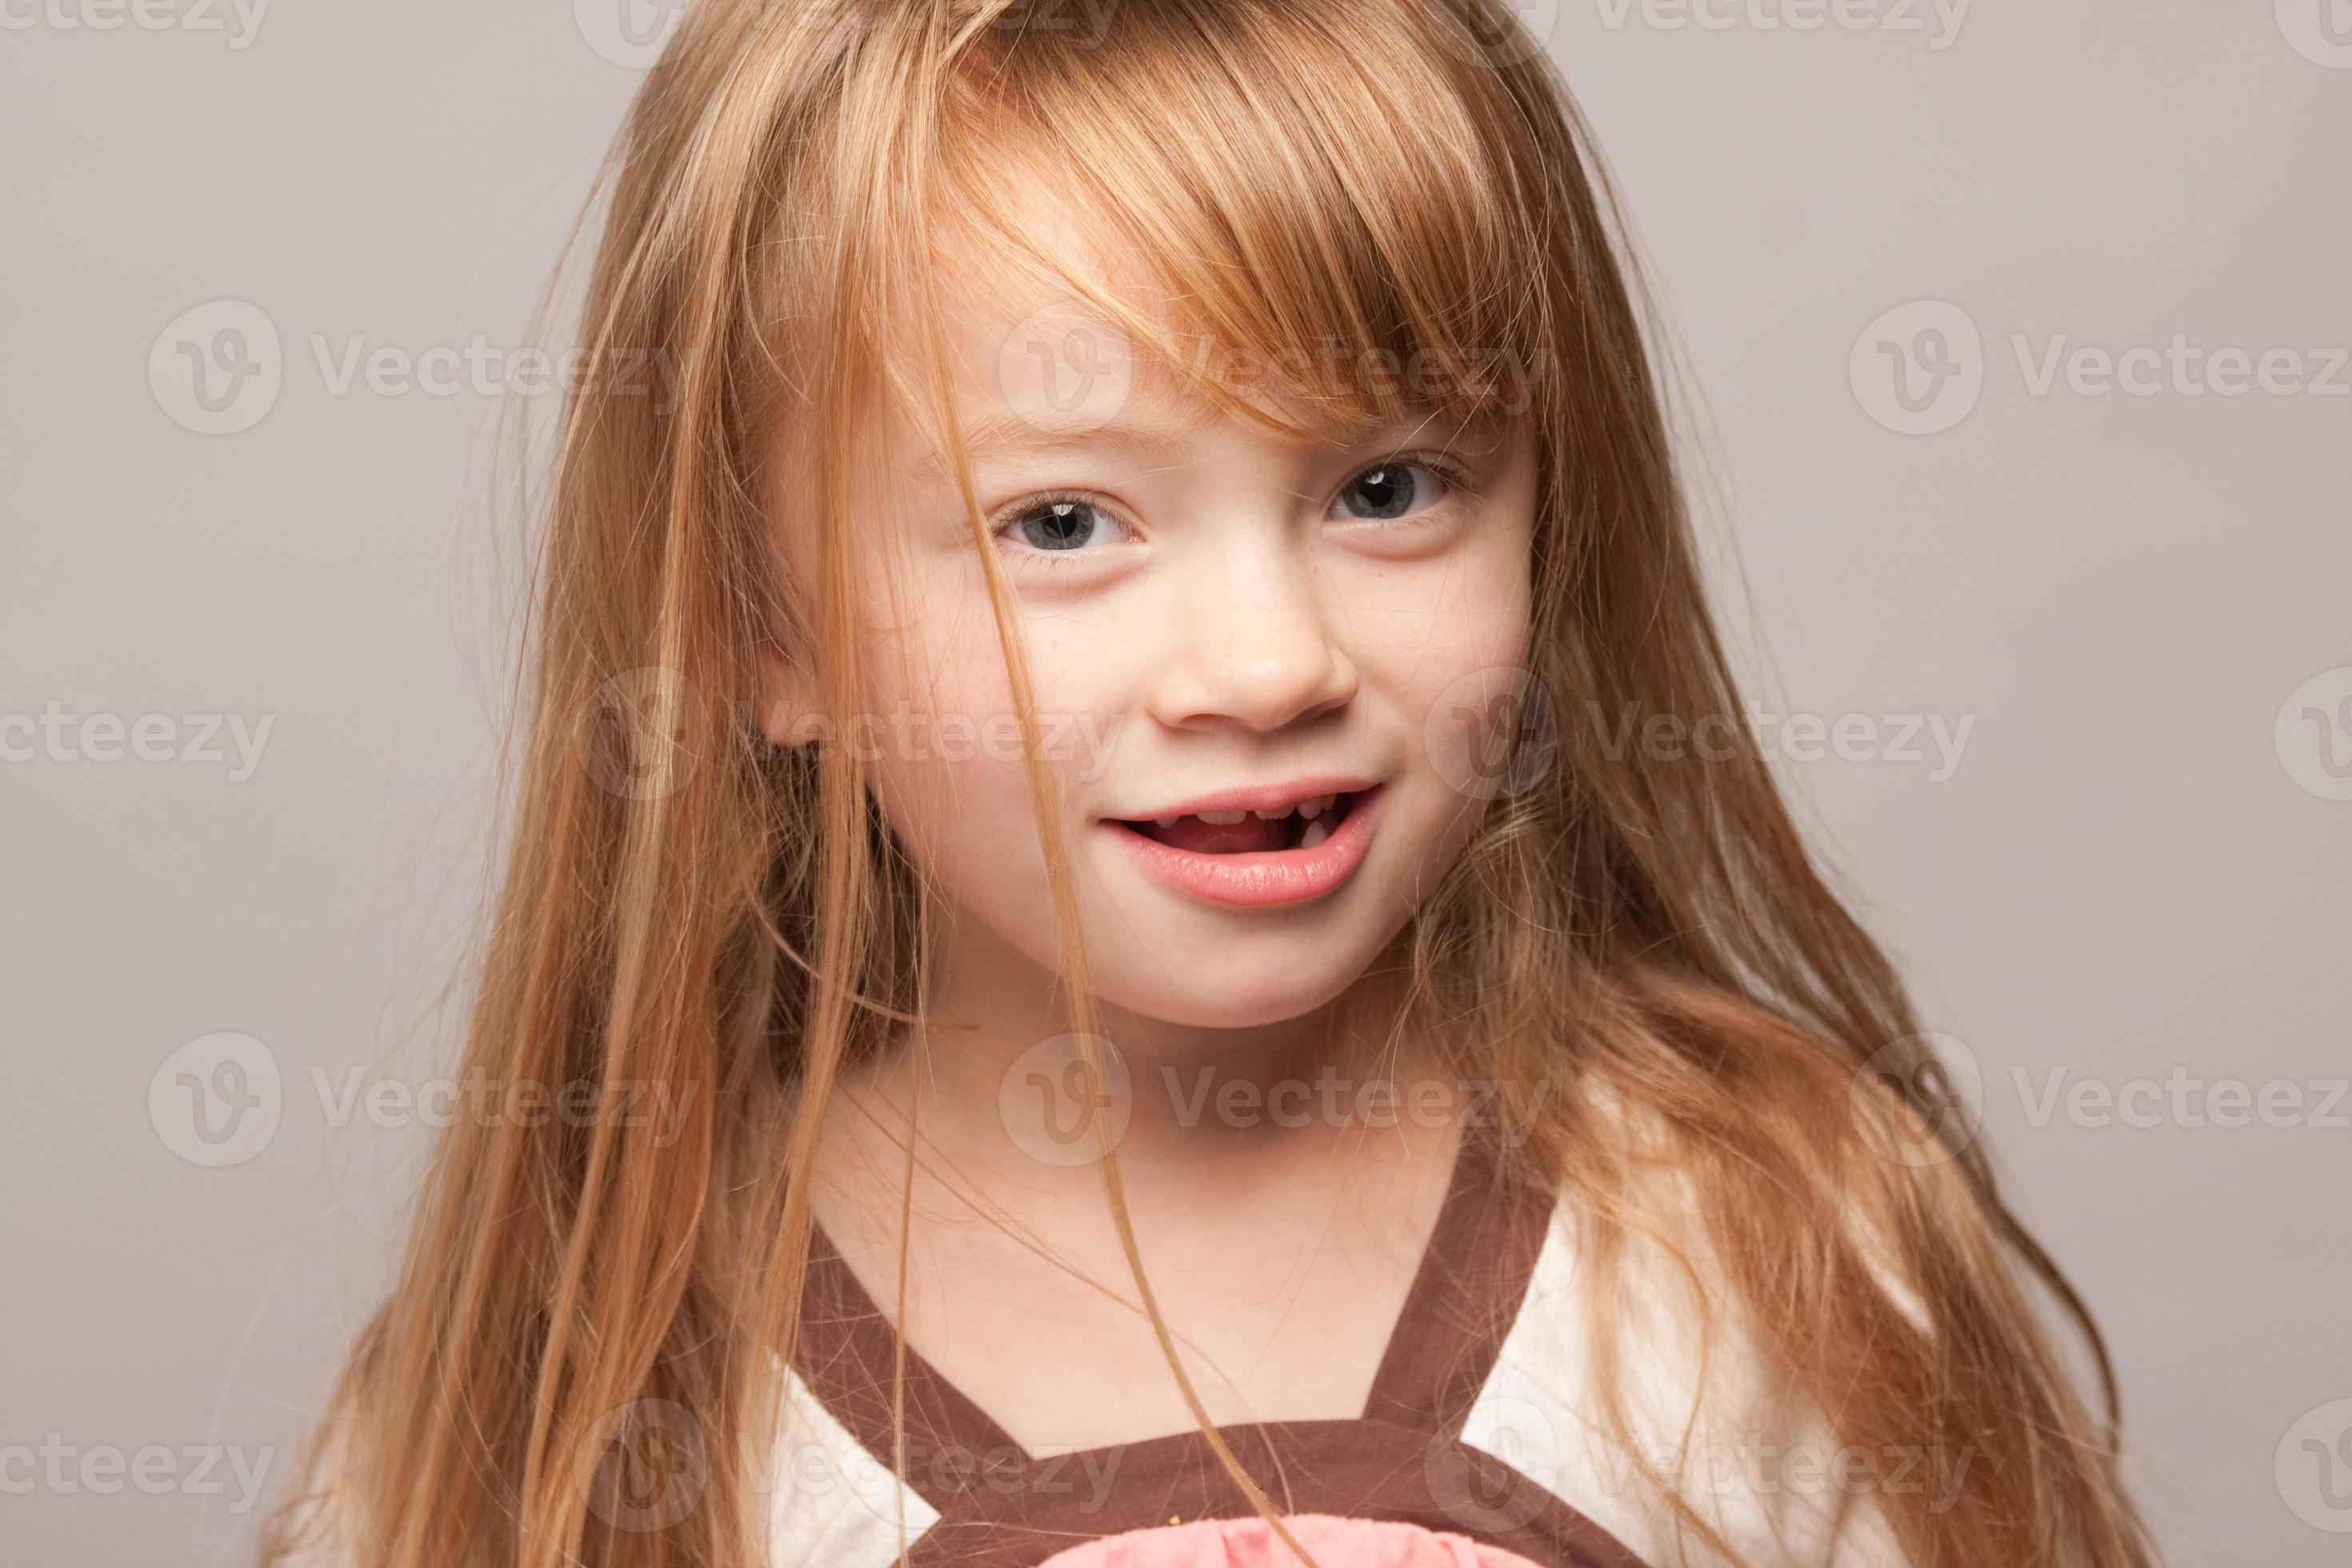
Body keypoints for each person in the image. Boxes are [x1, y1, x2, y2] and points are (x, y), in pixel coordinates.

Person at [266, 1, 2158, 1563]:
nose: (1266, 664)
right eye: (1065, 520)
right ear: (769, 631)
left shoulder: (1775, 1251)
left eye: (1387, 485)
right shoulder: (579, 1381)